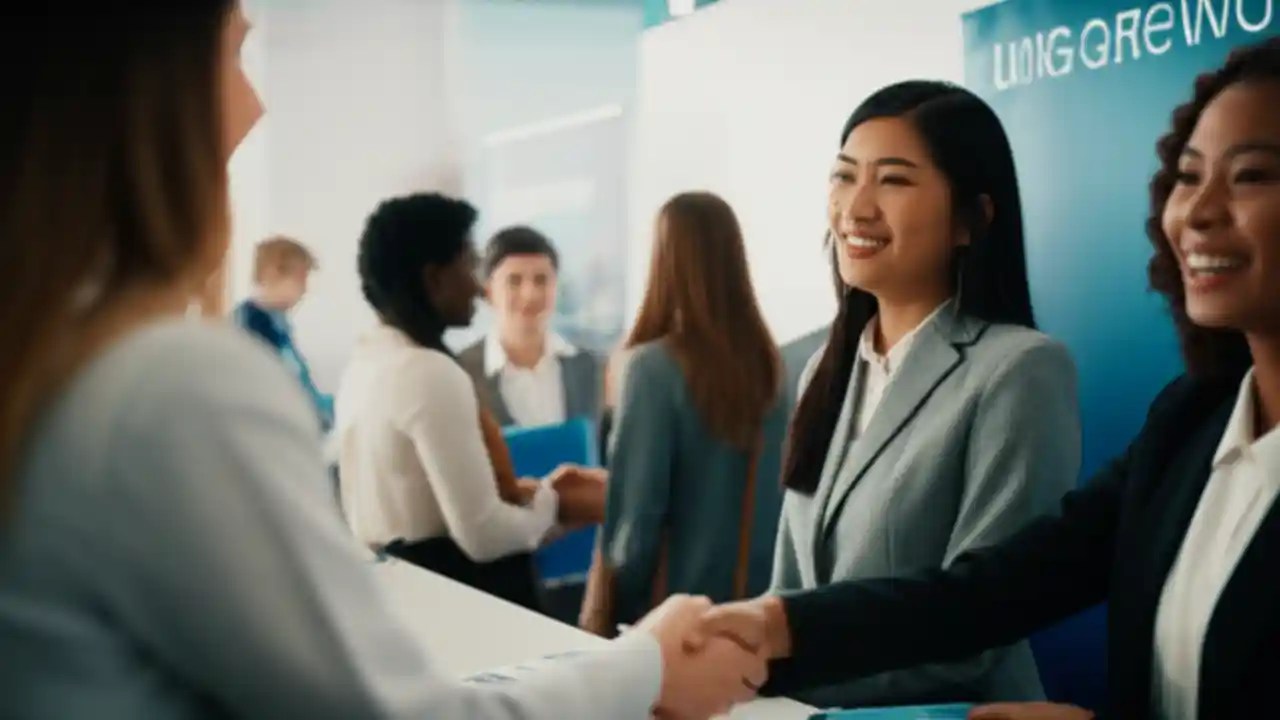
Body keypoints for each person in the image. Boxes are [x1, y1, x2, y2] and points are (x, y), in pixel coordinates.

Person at [0, 5, 766, 718]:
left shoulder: (55, 361)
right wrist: (645, 664)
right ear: (145, 83)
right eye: (235, 49)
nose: (256, 105)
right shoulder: (167, 384)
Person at [698, 37, 1280, 720]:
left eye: (1250, 176)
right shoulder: (1189, 421)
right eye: (1187, 176)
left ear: (972, 219)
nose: (1199, 212)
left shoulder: (1019, 367)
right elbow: (985, 594)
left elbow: (974, 637)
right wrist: (763, 635)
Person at [763, 80, 1082, 708]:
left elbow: (981, 626)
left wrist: (773, 668)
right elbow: (792, 590)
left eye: (894, 180)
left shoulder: (1019, 370)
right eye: (844, 175)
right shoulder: (824, 370)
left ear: (972, 219)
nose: (856, 207)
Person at [336, 194, 607, 611]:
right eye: (468, 263)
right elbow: (483, 535)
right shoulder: (428, 371)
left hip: (398, 605)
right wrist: (552, 501)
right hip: (453, 608)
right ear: (434, 278)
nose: (476, 287)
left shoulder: (366, 364)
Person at [579, 192, 789, 634]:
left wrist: (609, 605)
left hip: (669, 623)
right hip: (756, 620)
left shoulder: (653, 368)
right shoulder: (774, 370)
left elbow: (637, 522)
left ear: (664, 259)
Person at [458, 226, 603, 429]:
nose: (530, 294)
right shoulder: (461, 373)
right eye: (514, 281)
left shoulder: (590, 367)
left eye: (541, 280)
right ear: (489, 291)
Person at [232, 235, 333, 432]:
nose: (305, 290)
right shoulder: (249, 329)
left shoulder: (278, 327)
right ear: (271, 274)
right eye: (300, 279)